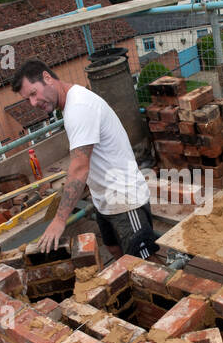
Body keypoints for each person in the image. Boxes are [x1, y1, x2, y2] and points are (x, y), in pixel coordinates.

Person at [12, 58, 159, 259]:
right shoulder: (71, 104)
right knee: (115, 250)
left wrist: (59, 220)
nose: (33, 103)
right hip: (105, 198)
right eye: (27, 99)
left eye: (33, 93)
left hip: (125, 198)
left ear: (47, 78)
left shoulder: (79, 107)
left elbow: (80, 167)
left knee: (144, 262)